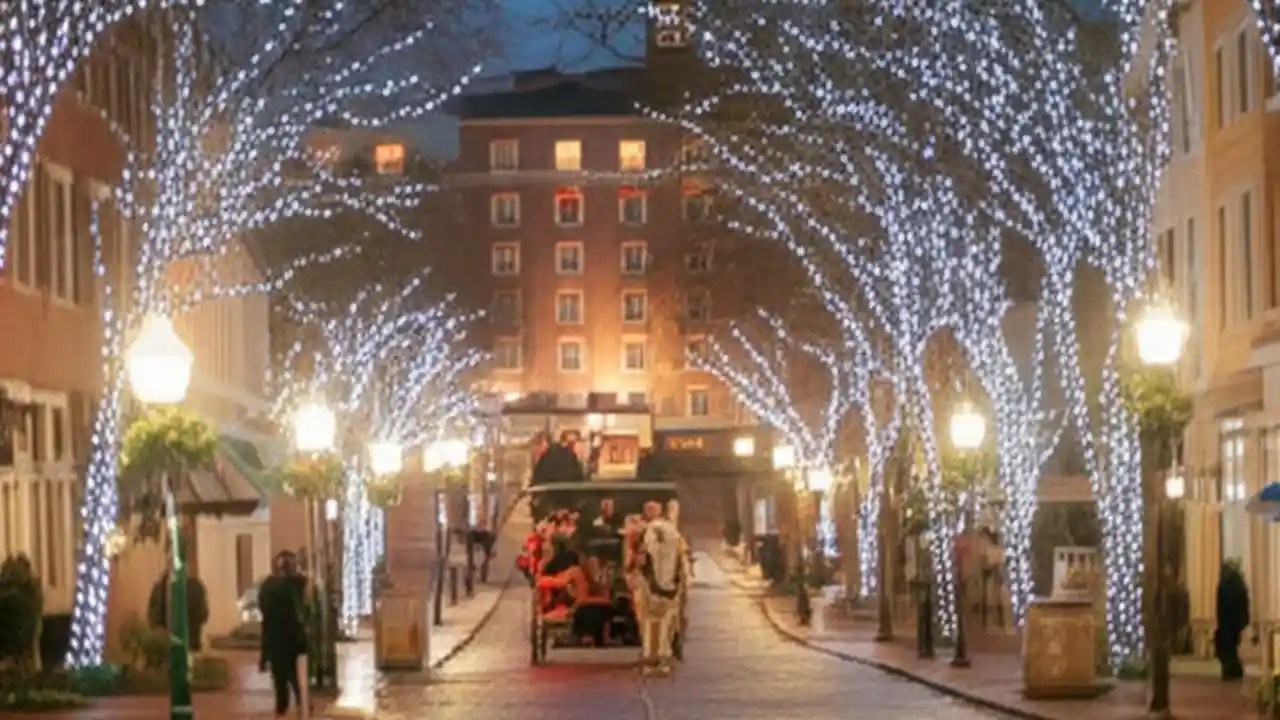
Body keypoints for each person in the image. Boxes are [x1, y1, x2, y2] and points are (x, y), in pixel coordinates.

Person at [638, 505, 688, 676]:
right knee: (667, 623)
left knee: (651, 622)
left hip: (652, 586)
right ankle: (663, 658)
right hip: (670, 586)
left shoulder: (646, 532)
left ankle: (650, 659)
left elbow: (641, 560)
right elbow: (682, 558)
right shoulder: (673, 533)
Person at [259, 551, 306, 717]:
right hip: (289, 636)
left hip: (274, 636)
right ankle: (300, 700)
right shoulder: (292, 586)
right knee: (291, 671)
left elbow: (263, 609)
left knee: (279, 674)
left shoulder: (269, 585)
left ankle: (282, 704)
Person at [1215, 559, 1250, 681]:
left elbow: (1219, 605)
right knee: (1232, 646)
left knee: (1228, 648)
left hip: (1226, 622)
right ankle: (1233, 670)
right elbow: (1244, 602)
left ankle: (1230, 670)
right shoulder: (1238, 583)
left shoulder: (1224, 584)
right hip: (1234, 621)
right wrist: (1244, 620)